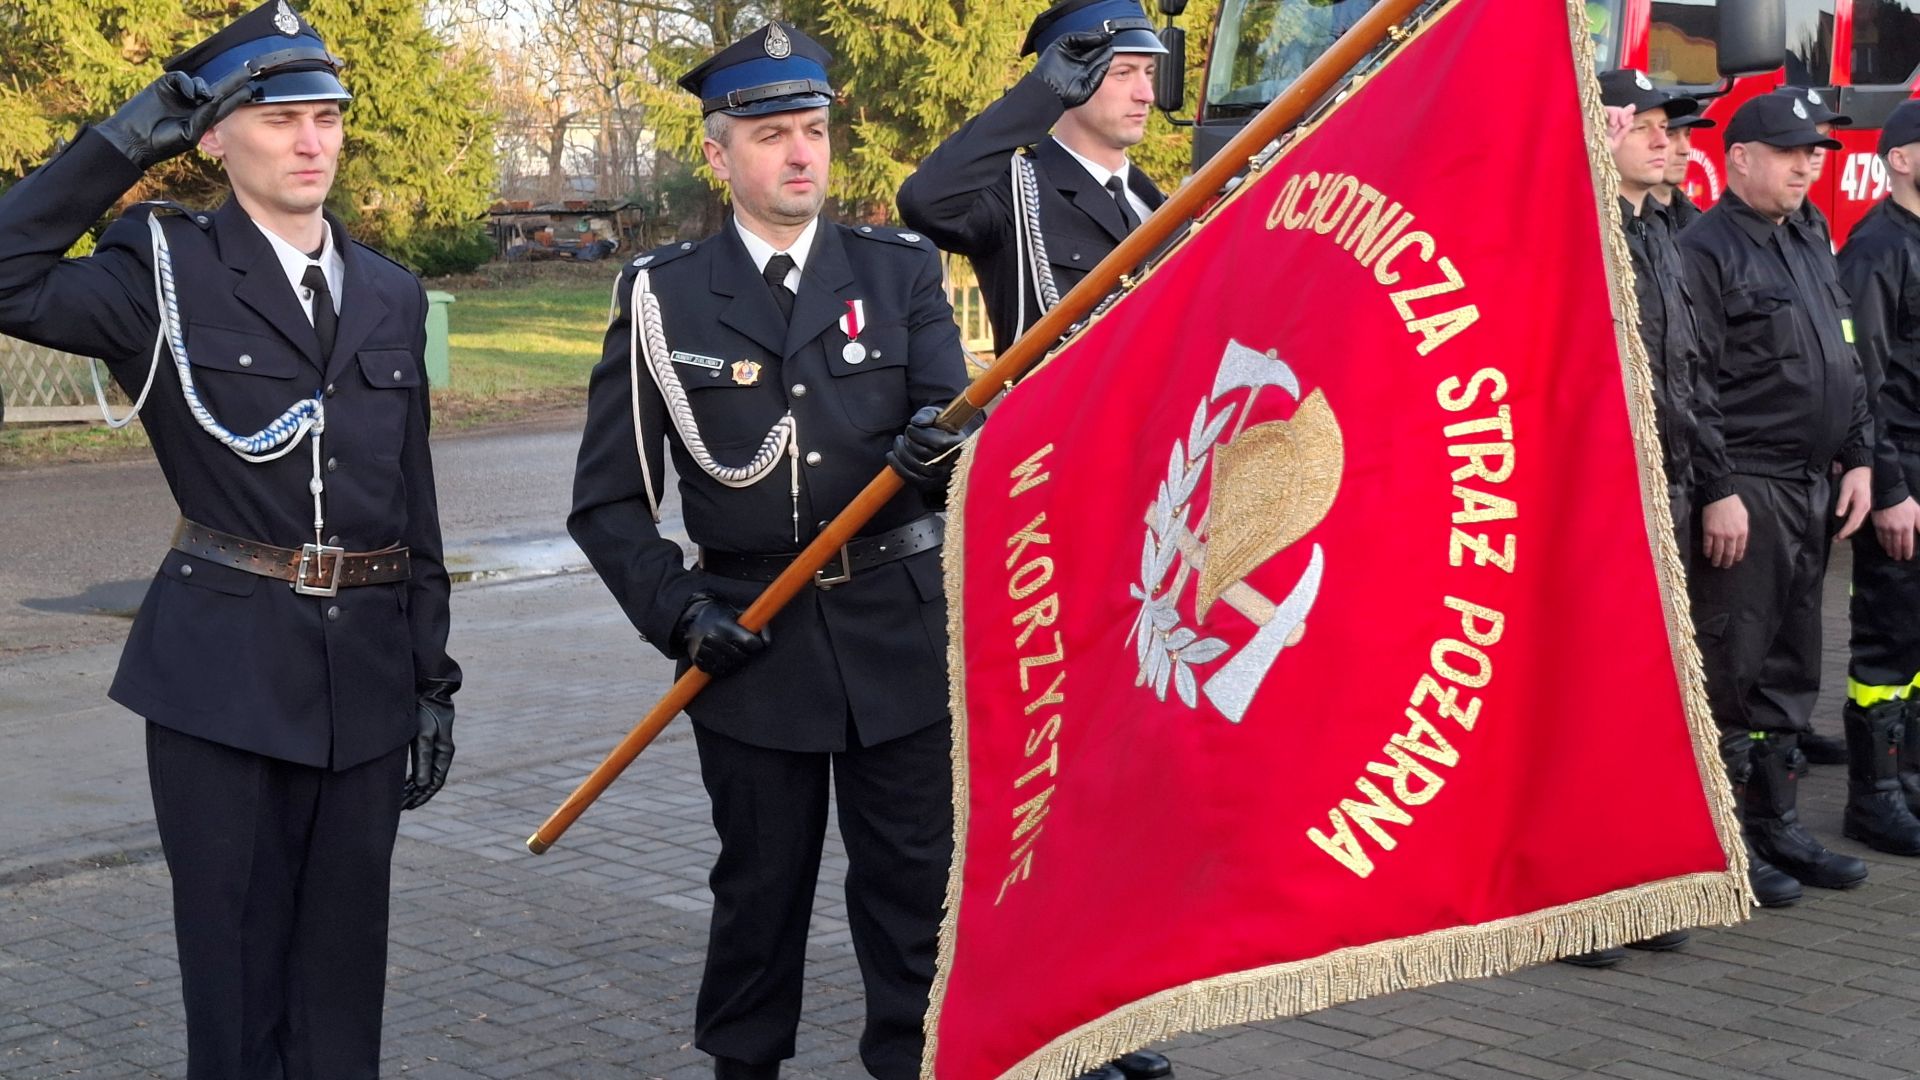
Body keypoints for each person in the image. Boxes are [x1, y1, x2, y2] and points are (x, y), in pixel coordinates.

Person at [0, 3, 460, 1077]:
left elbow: (414, 508)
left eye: (327, 117)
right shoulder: (161, 268)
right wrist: (120, 144)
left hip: (364, 684)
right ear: (213, 137)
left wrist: (431, 680)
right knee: (238, 989)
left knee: (342, 991)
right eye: (279, 118)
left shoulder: (388, 291)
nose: (311, 142)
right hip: (224, 682)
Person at [568, 22, 969, 1080]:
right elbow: (608, 503)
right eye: (772, 135)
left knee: (918, 897)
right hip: (751, 641)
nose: (801, 154)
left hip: (898, 633)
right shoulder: (663, 296)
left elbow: (963, 437)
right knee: (758, 895)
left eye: (814, 132)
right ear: (719, 154)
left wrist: (944, 451)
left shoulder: (898, 271)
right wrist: (680, 612)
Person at [1680, 93, 1874, 905]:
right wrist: (1718, 488)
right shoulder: (1705, 250)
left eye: (1813, 154)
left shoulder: (1807, 234)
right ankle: (1720, 840)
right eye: (1790, 153)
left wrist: (1858, 456)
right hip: (1750, 486)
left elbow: (1845, 352)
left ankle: (1776, 823)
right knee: (1733, 666)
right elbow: (1692, 384)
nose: (1806, 167)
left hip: (1811, 484)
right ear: (1740, 158)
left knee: (1793, 665)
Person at [1560, 71, 1707, 969]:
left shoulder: (1663, 229)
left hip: (1669, 490)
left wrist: (1707, 478)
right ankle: (1576, 898)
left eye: (1667, 127)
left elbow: (1689, 370)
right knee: (1588, 699)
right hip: (1605, 498)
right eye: (1642, 126)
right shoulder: (1581, 229)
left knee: (1648, 700)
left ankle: (1636, 880)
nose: (1664, 141)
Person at [897, 0, 1169, 355]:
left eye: (1149, 73)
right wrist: (1040, 96)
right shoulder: (1016, 193)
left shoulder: (1163, 205)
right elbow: (926, 203)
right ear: (1069, 74)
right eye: (1123, 73)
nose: (1146, 94)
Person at [1835, 101, 1920, 856]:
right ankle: (1874, 796)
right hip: (1905, 467)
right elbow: (1863, 378)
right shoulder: (1877, 246)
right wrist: (1890, 488)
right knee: (1888, 636)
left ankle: (1909, 775)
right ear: (1899, 158)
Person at [1652, 110, 1712, 232]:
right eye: (1670, 134)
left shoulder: (1697, 221)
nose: (1685, 149)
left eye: (1687, 134)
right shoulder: (1618, 221)